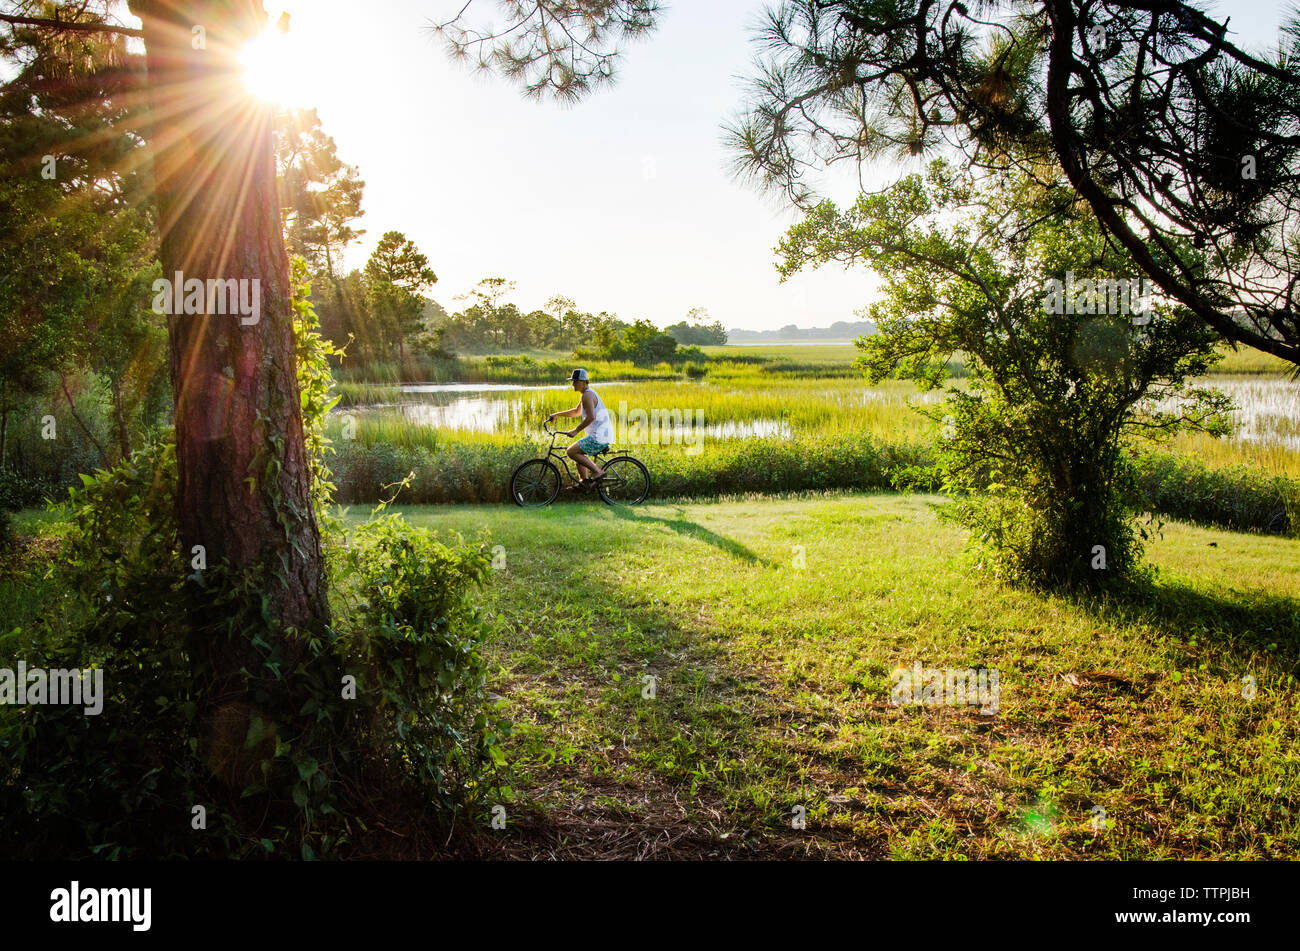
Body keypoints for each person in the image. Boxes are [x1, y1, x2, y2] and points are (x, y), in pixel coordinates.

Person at [547, 368, 614, 490]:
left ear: (583, 382)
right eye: (573, 381)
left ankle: (598, 472)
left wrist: (576, 430)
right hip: (600, 434)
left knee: (571, 451)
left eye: (575, 381)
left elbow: (591, 417)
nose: (573, 384)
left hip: (599, 436)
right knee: (578, 453)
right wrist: (557, 414)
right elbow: (576, 412)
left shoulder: (587, 395)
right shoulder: (586, 394)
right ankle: (584, 483)